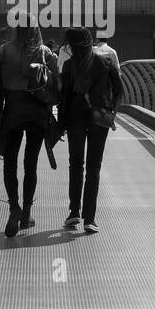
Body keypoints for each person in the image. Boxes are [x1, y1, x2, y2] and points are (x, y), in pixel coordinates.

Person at [0, 23, 59, 238]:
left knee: (10, 163)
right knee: (30, 164)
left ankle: (14, 207)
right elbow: (59, 77)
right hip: (38, 113)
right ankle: (27, 214)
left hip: (12, 111)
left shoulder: (5, 49)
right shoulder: (44, 52)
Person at [58, 26, 122, 234]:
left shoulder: (68, 65)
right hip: (98, 118)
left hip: (75, 118)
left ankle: (74, 212)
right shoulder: (105, 62)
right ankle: (90, 219)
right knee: (94, 167)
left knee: (76, 164)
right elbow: (119, 89)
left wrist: (60, 124)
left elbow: (63, 97)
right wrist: (112, 111)